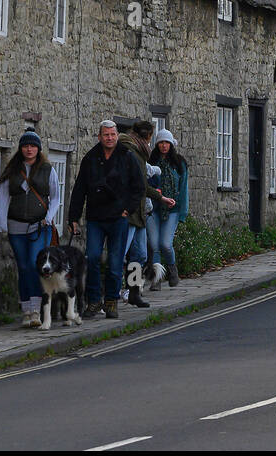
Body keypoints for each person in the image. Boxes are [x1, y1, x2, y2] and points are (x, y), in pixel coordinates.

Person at [68, 119, 143, 319]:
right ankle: (93, 301)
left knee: (115, 261)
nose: (109, 138)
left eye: (112, 134)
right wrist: (73, 217)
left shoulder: (127, 157)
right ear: (99, 136)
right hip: (96, 217)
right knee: (92, 257)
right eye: (106, 135)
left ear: (117, 135)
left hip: (118, 218)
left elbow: (139, 187)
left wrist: (128, 209)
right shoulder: (90, 158)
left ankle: (111, 301)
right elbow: (79, 189)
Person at [0, 128, 60, 327]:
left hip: (40, 225)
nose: (29, 149)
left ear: (38, 149)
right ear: (21, 148)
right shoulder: (12, 170)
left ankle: (37, 311)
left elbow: (56, 196)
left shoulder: (48, 169)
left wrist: (49, 217)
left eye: (33, 146)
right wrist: (1, 222)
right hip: (16, 225)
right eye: (25, 146)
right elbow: (4, 196)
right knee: (23, 267)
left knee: (34, 264)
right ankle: (27, 310)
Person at [117, 119, 161, 309]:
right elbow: (140, 184)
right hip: (129, 212)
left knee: (140, 255)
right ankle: (112, 295)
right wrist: (159, 196)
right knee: (118, 255)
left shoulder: (139, 150)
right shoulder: (132, 150)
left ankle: (133, 292)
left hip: (140, 212)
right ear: (148, 136)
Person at [146, 129, 187, 289]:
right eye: (161, 142)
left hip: (172, 209)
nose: (164, 146)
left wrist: (183, 211)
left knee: (165, 244)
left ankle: (172, 269)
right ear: (157, 144)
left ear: (171, 144)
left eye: (166, 143)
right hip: (153, 208)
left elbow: (183, 189)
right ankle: (157, 278)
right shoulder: (151, 161)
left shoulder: (179, 163)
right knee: (154, 245)